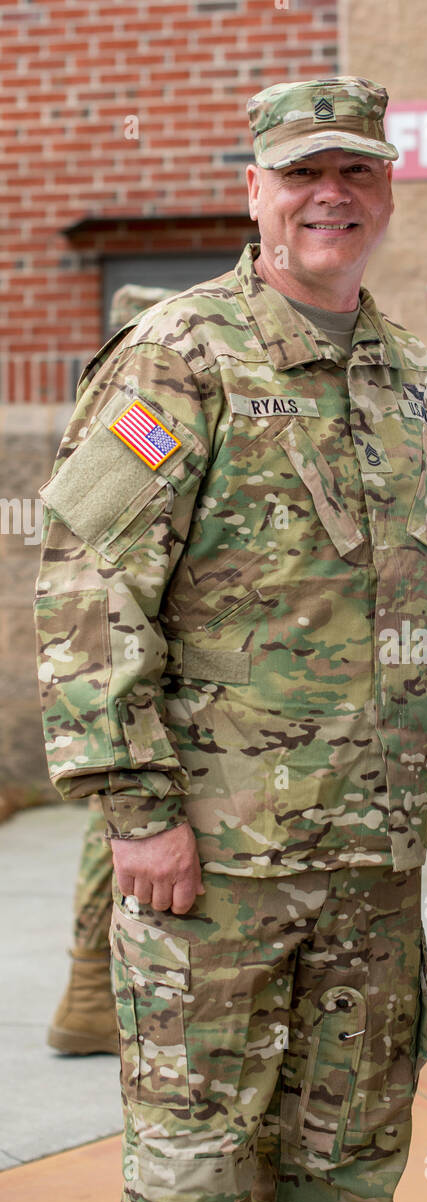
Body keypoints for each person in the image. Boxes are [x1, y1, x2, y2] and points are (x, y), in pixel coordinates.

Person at [34, 75, 427, 1202]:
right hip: (215, 874)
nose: (330, 194)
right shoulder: (178, 356)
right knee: (194, 1189)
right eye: (303, 172)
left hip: (370, 875)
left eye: (354, 170)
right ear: (253, 189)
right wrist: (138, 807)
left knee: (343, 1186)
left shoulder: (408, 373)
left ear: (385, 191)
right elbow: (86, 587)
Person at [47, 288, 174, 1059]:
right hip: (138, 667)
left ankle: (89, 989)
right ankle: (90, 985)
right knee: (120, 817)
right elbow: (87, 550)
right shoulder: (149, 397)